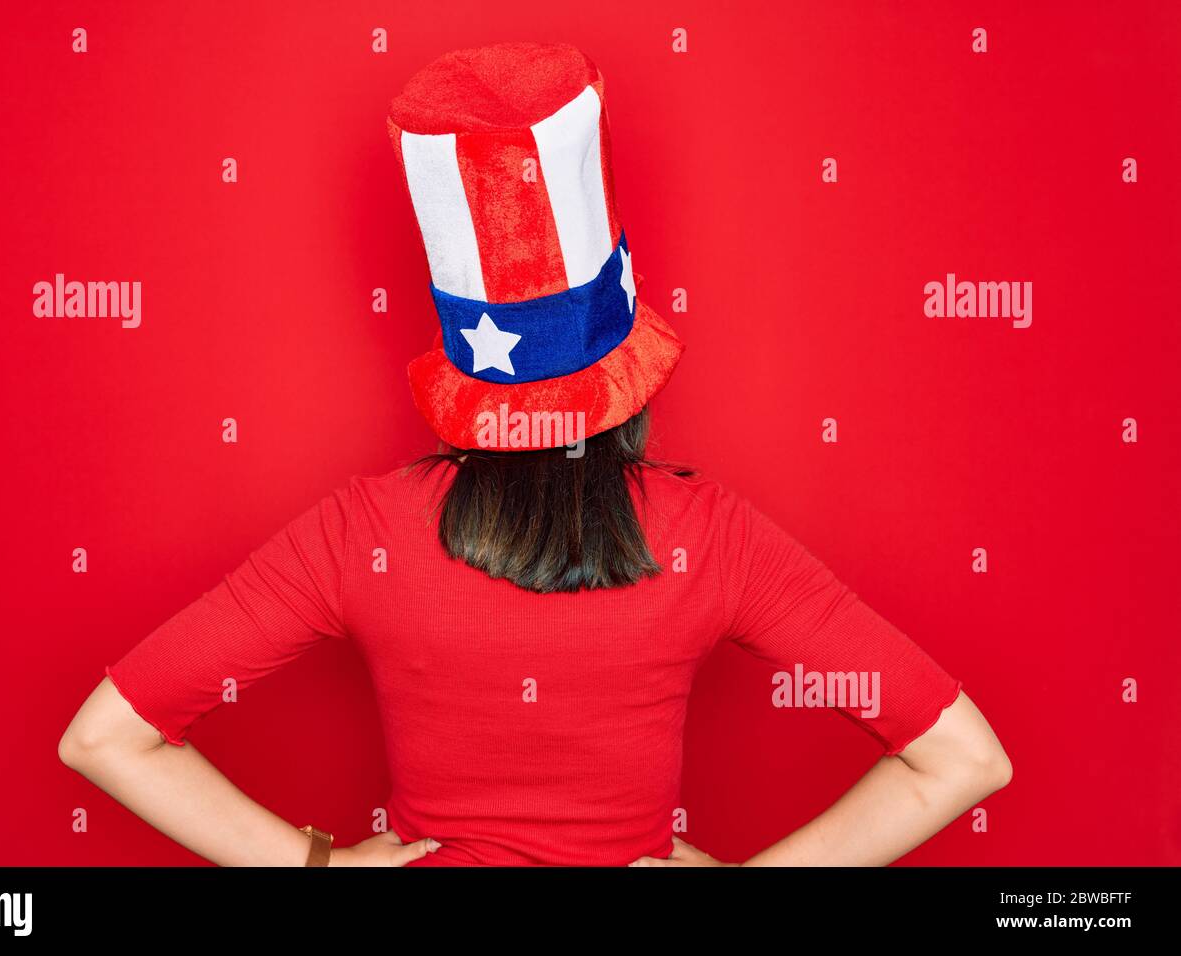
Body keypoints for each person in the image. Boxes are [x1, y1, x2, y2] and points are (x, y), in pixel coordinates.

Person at [59, 42, 1010, 867]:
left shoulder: (362, 533)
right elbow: (965, 760)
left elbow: (106, 740)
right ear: (624, 354)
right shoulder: (711, 537)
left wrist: (311, 860)